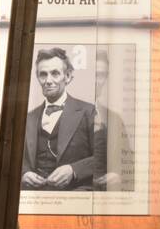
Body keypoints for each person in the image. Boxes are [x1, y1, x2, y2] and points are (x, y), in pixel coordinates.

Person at [22, 47, 105, 192]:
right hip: (35, 199)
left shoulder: (88, 112)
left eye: (55, 73)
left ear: (67, 76)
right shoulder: (28, 118)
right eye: (43, 74)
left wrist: (73, 170)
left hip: (75, 195)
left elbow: (104, 157)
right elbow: (14, 159)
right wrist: (24, 173)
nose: (48, 81)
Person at [92, 47, 134, 191]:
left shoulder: (115, 120)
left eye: (101, 75)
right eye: (92, 74)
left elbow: (129, 166)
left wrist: (119, 176)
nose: (96, 80)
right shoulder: (58, 114)